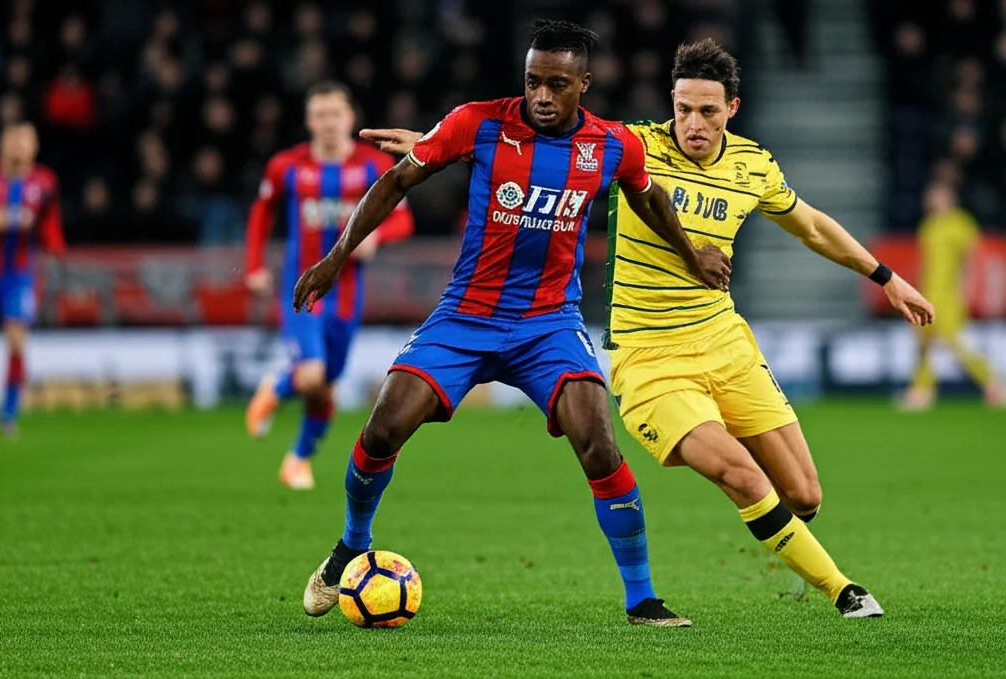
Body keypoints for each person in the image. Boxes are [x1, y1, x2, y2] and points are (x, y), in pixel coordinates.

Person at [357, 38, 937, 619]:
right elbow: (543, 143)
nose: (693, 123)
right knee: (739, 471)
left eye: (708, 112)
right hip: (651, 358)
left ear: (732, 110)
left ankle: (790, 547)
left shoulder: (753, 165)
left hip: (725, 343)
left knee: (804, 493)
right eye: (682, 108)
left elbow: (810, 226)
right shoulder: (635, 145)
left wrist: (884, 276)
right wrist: (439, 149)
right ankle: (843, 590)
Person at [292, 20, 731, 627]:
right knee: (383, 430)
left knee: (599, 442)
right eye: (532, 82)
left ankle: (642, 598)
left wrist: (692, 254)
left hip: (549, 322)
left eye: (556, 84)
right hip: (465, 315)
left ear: (584, 83)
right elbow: (395, 181)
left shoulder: (612, 146)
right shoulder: (479, 122)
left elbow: (648, 196)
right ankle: (350, 545)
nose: (542, 96)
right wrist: (335, 258)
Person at [245, 82, 414, 490]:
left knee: (325, 384)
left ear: (350, 119)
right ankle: (280, 387)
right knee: (311, 375)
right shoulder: (287, 166)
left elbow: (404, 219)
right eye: (319, 114)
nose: (328, 123)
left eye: (335, 114)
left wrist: (378, 235)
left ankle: (298, 460)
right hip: (303, 285)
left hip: (348, 290)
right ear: (309, 121)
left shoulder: (374, 166)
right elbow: (261, 212)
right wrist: (253, 266)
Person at [0, 122, 64, 436]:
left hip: (20, 276)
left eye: (26, 140)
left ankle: (8, 413)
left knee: (17, 337)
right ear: (1, 144)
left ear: (35, 146)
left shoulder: (44, 182)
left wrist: (55, 248)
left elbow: (50, 224)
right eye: (13, 140)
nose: (19, 146)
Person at [899, 181, 1003, 410]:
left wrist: (968, 290)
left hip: (949, 297)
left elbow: (971, 261)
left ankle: (993, 384)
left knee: (957, 345)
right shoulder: (928, 225)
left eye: (935, 195)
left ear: (948, 198)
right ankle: (922, 391)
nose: (930, 200)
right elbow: (925, 263)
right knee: (923, 344)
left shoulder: (961, 223)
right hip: (927, 294)